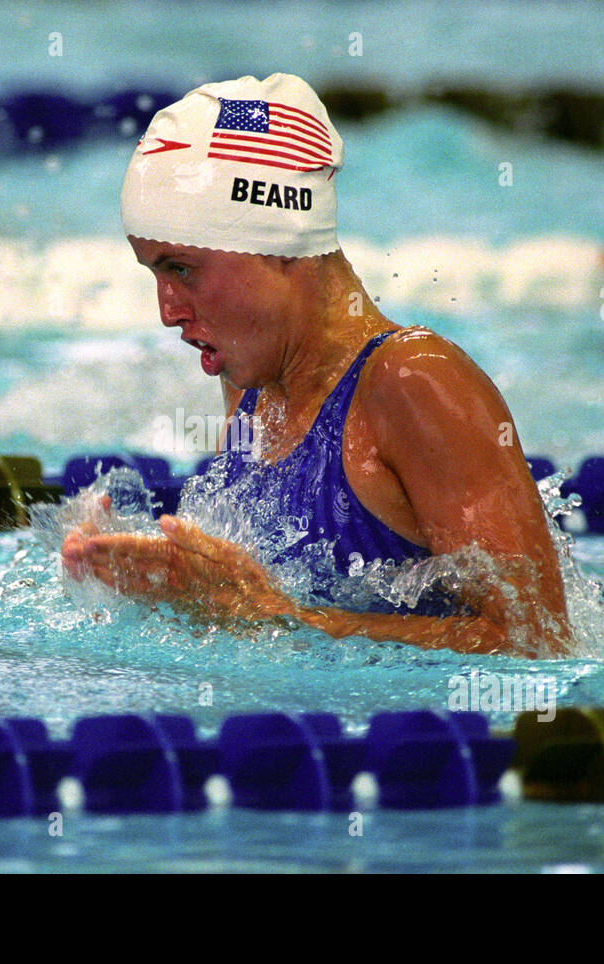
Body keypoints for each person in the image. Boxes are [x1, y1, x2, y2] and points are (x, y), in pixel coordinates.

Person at [61, 73, 570, 656]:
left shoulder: (414, 382)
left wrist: (278, 617)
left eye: (182, 268)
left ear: (278, 244)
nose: (167, 311)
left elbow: (538, 642)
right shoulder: (250, 379)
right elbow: (249, 607)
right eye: (153, 272)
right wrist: (156, 584)